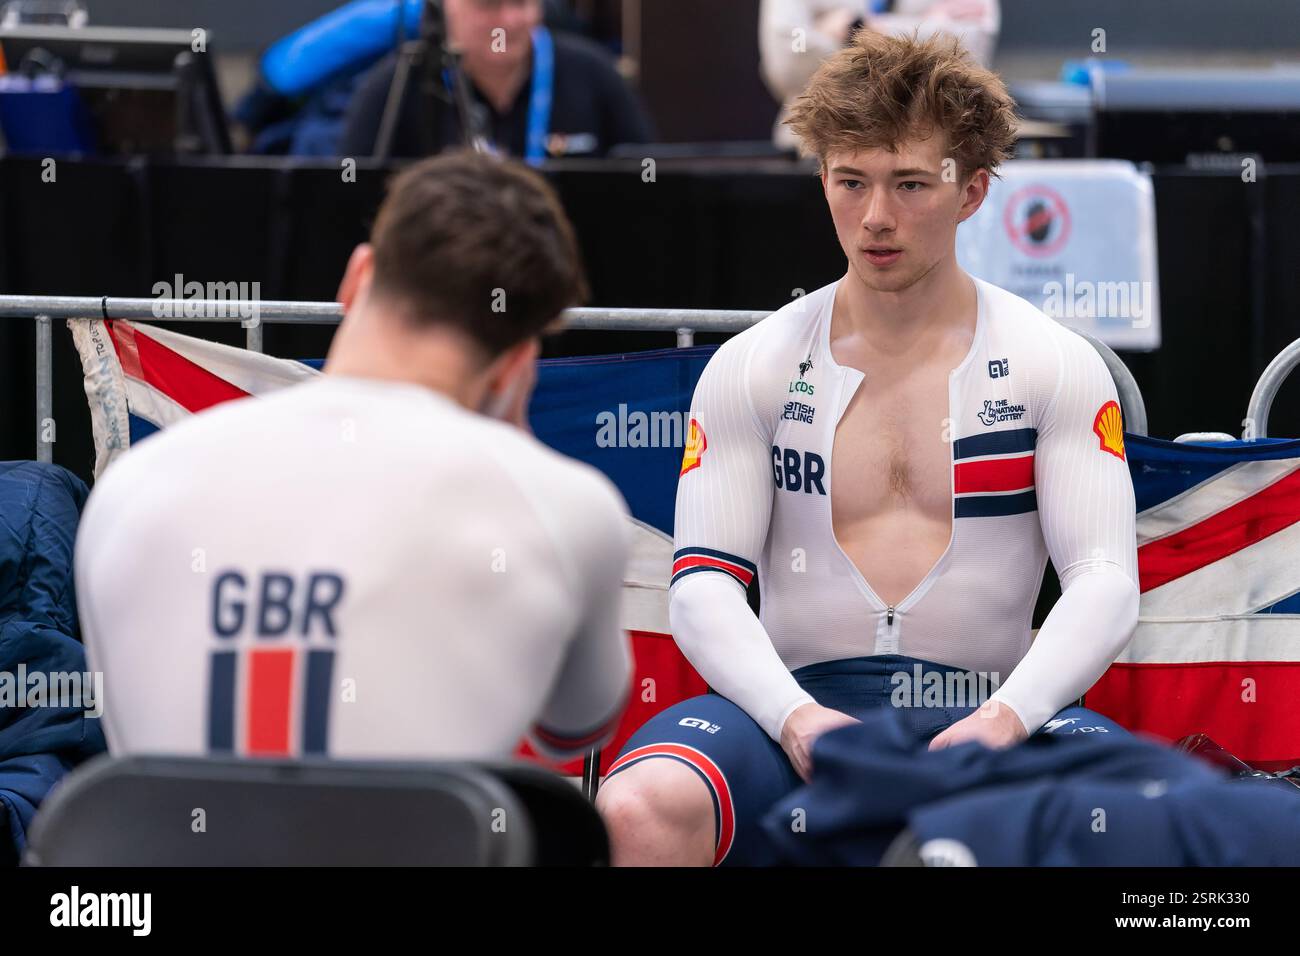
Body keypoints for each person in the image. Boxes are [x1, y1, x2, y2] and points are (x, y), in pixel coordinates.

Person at [594, 31, 1140, 867]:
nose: (877, 217)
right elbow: (702, 586)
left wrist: (1003, 721)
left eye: (911, 184)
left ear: (973, 192)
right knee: (636, 808)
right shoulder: (753, 367)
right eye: (852, 182)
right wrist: (794, 719)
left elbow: (1104, 583)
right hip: (791, 708)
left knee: (1146, 821)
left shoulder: (1056, 365)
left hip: (996, 707)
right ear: (823, 182)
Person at [74, 151, 633, 762]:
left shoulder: (135, 484)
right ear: (519, 365)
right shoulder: (565, 507)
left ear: (356, 276)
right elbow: (575, 729)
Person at [339, 0, 654, 161]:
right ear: (446, 7)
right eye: (489, 4)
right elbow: (346, 206)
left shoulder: (594, 74)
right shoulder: (397, 86)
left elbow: (649, 179)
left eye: (520, 3)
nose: (509, 21)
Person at [760, 0, 1000, 151]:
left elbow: (970, 48)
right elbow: (787, 58)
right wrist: (924, 28)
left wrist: (856, 29)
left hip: (929, 150)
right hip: (816, 150)